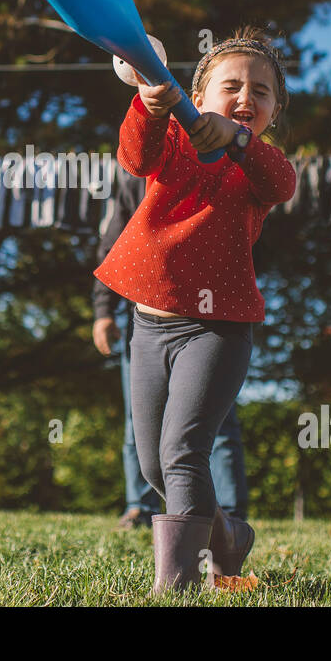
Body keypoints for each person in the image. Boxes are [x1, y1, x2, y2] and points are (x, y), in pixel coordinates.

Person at [93, 26, 295, 594]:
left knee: (183, 451)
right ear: (199, 95)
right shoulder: (176, 143)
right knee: (157, 465)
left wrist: (238, 139)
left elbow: (281, 183)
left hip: (217, 330)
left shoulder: (261, 163)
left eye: (261, 91)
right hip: (149, 325)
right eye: (231, 85)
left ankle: (175, 587)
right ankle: (229, 538)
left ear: (274, 111)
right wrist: (150, 105)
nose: (246, 97)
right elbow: (135, 157)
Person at [92, 166, 250, 532]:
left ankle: (227, 514)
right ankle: (142, 507)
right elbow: (116, 237)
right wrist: (103, 310)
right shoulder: (141, 171)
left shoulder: (235, 165)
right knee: (143, 429)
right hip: (149, 321)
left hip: (215, 322)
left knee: (214, 426)